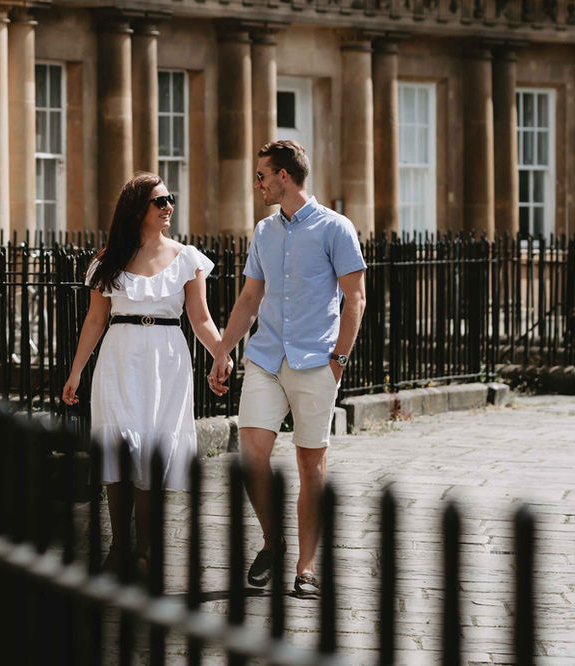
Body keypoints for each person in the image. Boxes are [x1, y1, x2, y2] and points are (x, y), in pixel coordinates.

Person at [208, 140, 366, 599]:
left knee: (309, 465)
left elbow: (355, 298)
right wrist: (222, 349)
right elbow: (249, 299)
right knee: (251, 457)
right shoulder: (263, 231)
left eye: (261, 175)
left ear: (284, 176)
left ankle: (307, 566)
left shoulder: (336, 228)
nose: (256, 183)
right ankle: (273, 540)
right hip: (266, 358)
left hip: (317, 360)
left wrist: (339, 359)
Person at [62, 172, 232, 575]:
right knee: (120, 446)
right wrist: (75, 374)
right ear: (138, 209)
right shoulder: (108, 261)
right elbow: (94, 321)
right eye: (160, 201)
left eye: (170, 198)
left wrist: (221, 355)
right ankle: (119, 546)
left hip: (168, 360)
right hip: (120, 357)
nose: (169, 206)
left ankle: (146, 550)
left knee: (155, 449)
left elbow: (201, 317)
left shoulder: (187, 258)